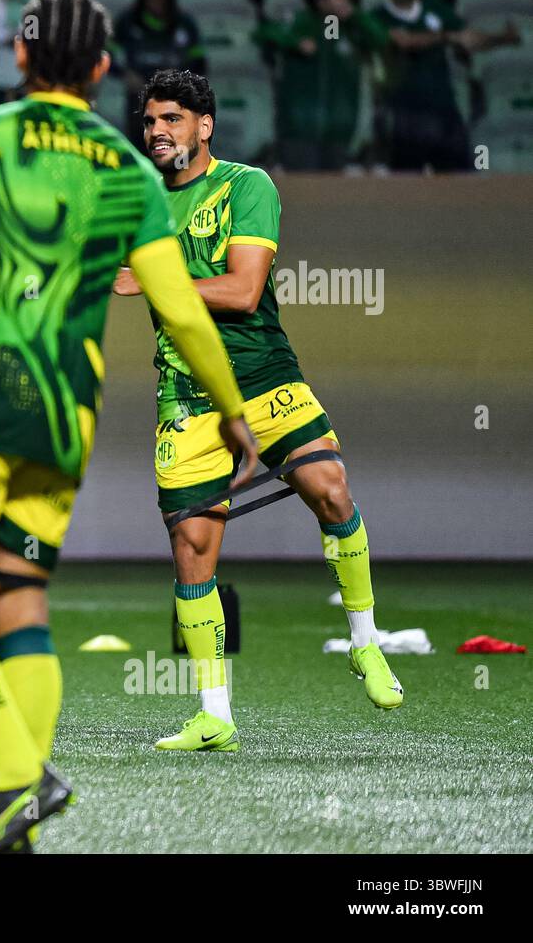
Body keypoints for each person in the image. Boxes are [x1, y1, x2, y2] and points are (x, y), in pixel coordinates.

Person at [0, 0, 257, 853]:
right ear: (100, 69)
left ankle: (22, 776)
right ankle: (20, 828)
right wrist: (233, 412)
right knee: (17, 597)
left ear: (19, 56)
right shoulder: (129, 170)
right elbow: (185, 314)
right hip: (67, 419)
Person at [113, 69, 404, 754]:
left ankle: (365, 643)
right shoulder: (136, 206)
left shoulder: (248, 186)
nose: (157, 131)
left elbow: (244, 291)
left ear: (204, 126)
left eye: (172, 119)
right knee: (193, 550)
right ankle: (214, 714)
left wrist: (150, 278)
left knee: (330, 490)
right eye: (150, 121)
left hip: (266, 377)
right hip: (187, 396)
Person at [371, 0, 520, 171]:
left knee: (461, 181)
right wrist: (447, 36)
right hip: (404, 116)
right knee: (406, 186)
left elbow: (467, 39)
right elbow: (403, 41)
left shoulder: (435, 7)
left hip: (444, 110)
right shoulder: (377, 17)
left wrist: (500, 39)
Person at [255, 0, 388, 170]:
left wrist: (355, 16)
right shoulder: (302, 21)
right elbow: (264, 33)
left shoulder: (353, 28)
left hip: (340, 127)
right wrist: (296, 42)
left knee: (331, 191)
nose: (338, 1)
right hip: (299, 125)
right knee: (302, 188)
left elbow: (381, 39)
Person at [110, 0, 206, 147]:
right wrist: (125, 75)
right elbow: (107, 58)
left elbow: (200, 64)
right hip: (139, 101)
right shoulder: (127, 22)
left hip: (176, 101)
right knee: (142, 148)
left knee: (176, 156)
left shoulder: (185, 23)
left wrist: (179, 81)